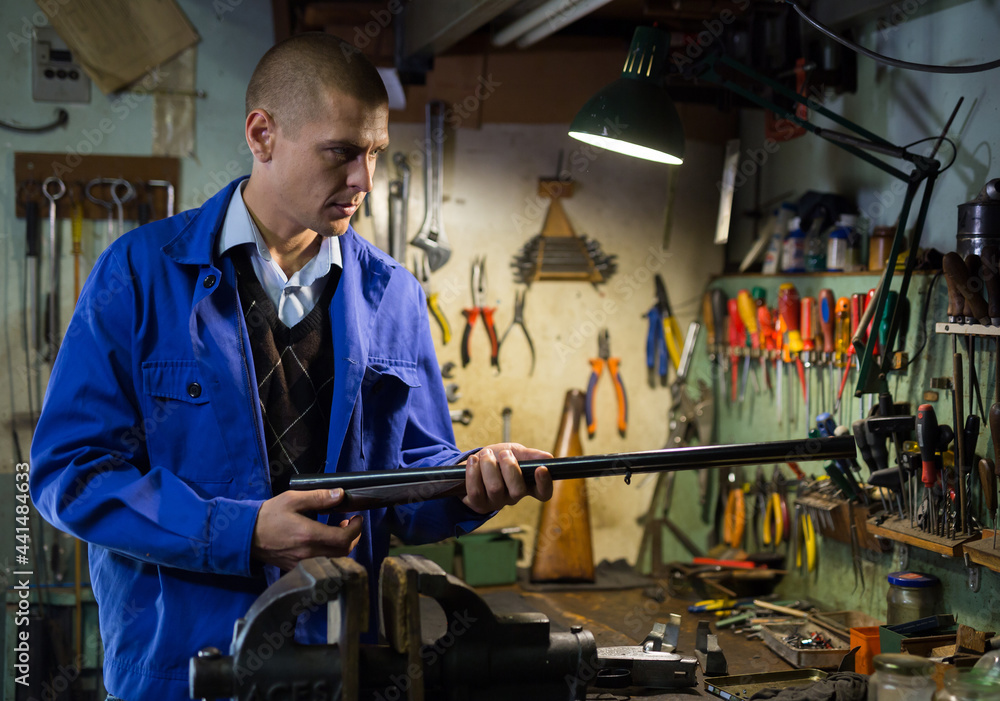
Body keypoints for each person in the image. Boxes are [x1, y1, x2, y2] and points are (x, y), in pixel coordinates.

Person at [30, 33, 553, 701]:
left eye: (374, 154)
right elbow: (68, 473)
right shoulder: (139, 275)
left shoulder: (393, 294)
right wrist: (241, 533)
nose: (363, 180)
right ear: (262, 134)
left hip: (342, 669)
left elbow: (408, 487)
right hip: (182, 675)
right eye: (341, 153)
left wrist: (470, 482)